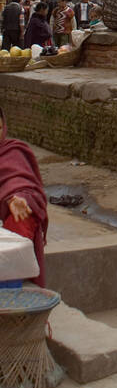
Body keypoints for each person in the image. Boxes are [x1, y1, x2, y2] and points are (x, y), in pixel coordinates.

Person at [0, 103, 48, 285]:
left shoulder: (12, 152)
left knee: (23, 218)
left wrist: (17, 199)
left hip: (6, 231)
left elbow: (23, 185)